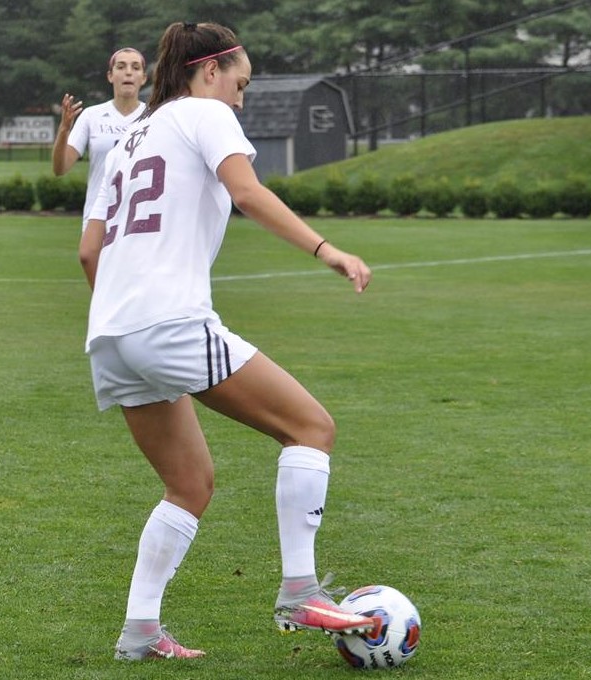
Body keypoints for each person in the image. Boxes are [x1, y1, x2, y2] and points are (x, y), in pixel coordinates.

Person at [78, 21, 377, 661]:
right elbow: (246, 191)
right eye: (240, 84)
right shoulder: (203, 114)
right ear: (209, 71)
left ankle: (139, 632)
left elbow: (87, 251)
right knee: (311, 428)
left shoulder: (129, 136)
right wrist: (328, 250)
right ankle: (299, 591)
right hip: (169, 323)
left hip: (109, 334)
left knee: (188, 484)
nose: (241, 100)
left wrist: (126, 309)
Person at [52, 47, 147, 231]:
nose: (128, 72)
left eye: (135, 67)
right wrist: (64, 129)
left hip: (139, 220)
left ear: (143, 78)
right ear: (110, 76)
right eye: (121, 66)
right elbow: (60, 168)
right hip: (98, 217)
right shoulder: (91, 115)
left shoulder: (155, 117)